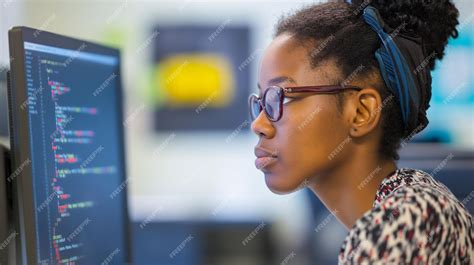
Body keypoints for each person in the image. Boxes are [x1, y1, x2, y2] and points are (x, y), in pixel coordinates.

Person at [249, 0, 473, 263]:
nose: (258, 124)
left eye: (280, 97)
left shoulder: (403, 224)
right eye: (261, 103)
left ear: (361, 112)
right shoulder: (415, 203)